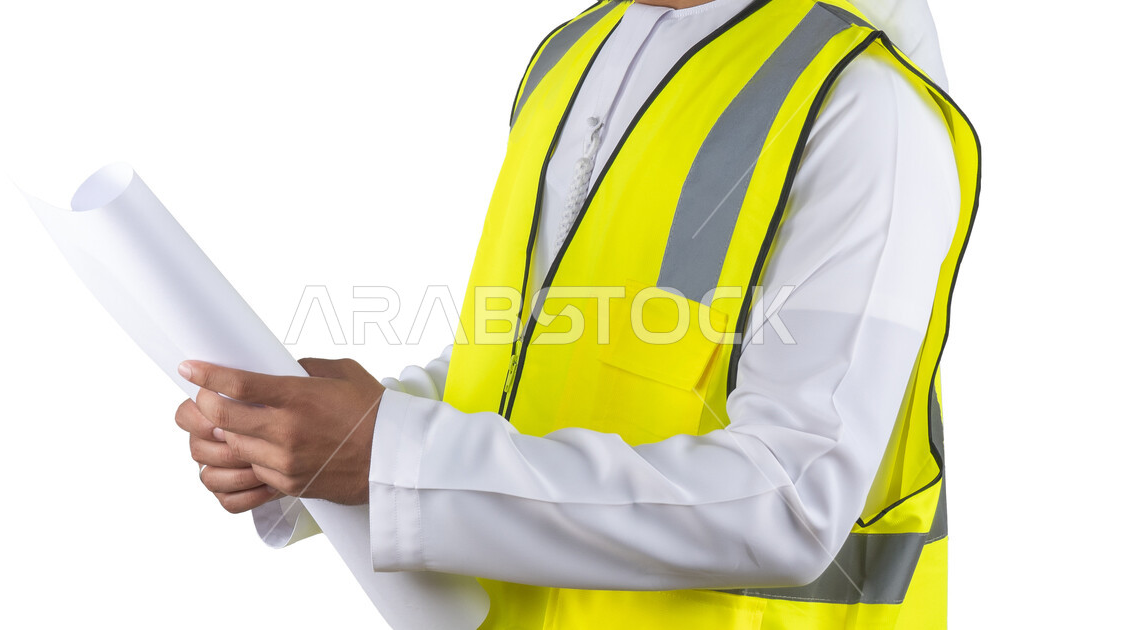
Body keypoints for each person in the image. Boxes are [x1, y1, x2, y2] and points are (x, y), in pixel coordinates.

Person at [174, 0, 979, 627]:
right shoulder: (571, 56)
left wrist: (394, 458)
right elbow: (524, 364)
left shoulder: (866, 104)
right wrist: (326, 444)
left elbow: (796, 501)